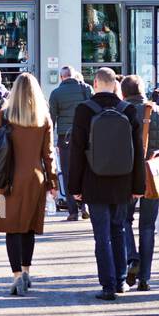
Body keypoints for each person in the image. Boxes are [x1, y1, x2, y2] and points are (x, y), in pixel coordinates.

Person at [68, 67, 146, 301]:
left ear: (95, 83)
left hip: (94, 180)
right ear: (115, 85)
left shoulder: (84, 110)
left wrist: (75, 188)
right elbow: (137, 152)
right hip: (123, 181)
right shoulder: (128, 110)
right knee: (119, 229)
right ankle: (121, 280)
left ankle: (107, 285)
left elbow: (77, 151)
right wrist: (138, 186)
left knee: (101, 235)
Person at [0, 72, 56, 296]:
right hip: (35, 179)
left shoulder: (4, 115)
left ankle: (16, 276)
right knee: (28, 228)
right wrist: (52, 182)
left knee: (11, 229)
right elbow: (48, 154)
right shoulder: (43, 118)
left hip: (7, 179)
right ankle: (26, 271)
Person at [121, 74, 159, 291]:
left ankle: (131, 257)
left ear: (123, 93)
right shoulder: (158, 112)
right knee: (147, 226)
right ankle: (145, 278)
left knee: (123, 221)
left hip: (126, 176)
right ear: (142, 91)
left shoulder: (119, 111)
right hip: (153, 177)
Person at [48, 66, 91, 221]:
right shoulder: (86, 89)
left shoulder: (56, 93)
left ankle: (72, 210)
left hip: (65, 137)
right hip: (85, 136)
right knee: (85, 170)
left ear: (61, 77)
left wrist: (51, 142)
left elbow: (51, 119)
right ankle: (85, 205)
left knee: (67, 172)